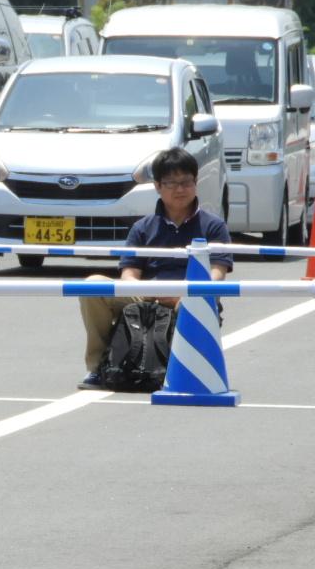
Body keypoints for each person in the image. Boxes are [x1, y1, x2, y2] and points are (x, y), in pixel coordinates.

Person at [78, 146, 233, 389]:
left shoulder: (214, 226)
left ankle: (185, 370)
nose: (180, 189)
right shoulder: (142, 227)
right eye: (171, 183)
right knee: (93, 286)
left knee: (196, 300)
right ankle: (99, 367)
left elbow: (217, 275)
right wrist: (150, 292)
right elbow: (129, 275)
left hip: (191, 294)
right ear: (157, 186)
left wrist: (182, 293)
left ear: (196, 182)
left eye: (186, 181)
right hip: (146, 294)